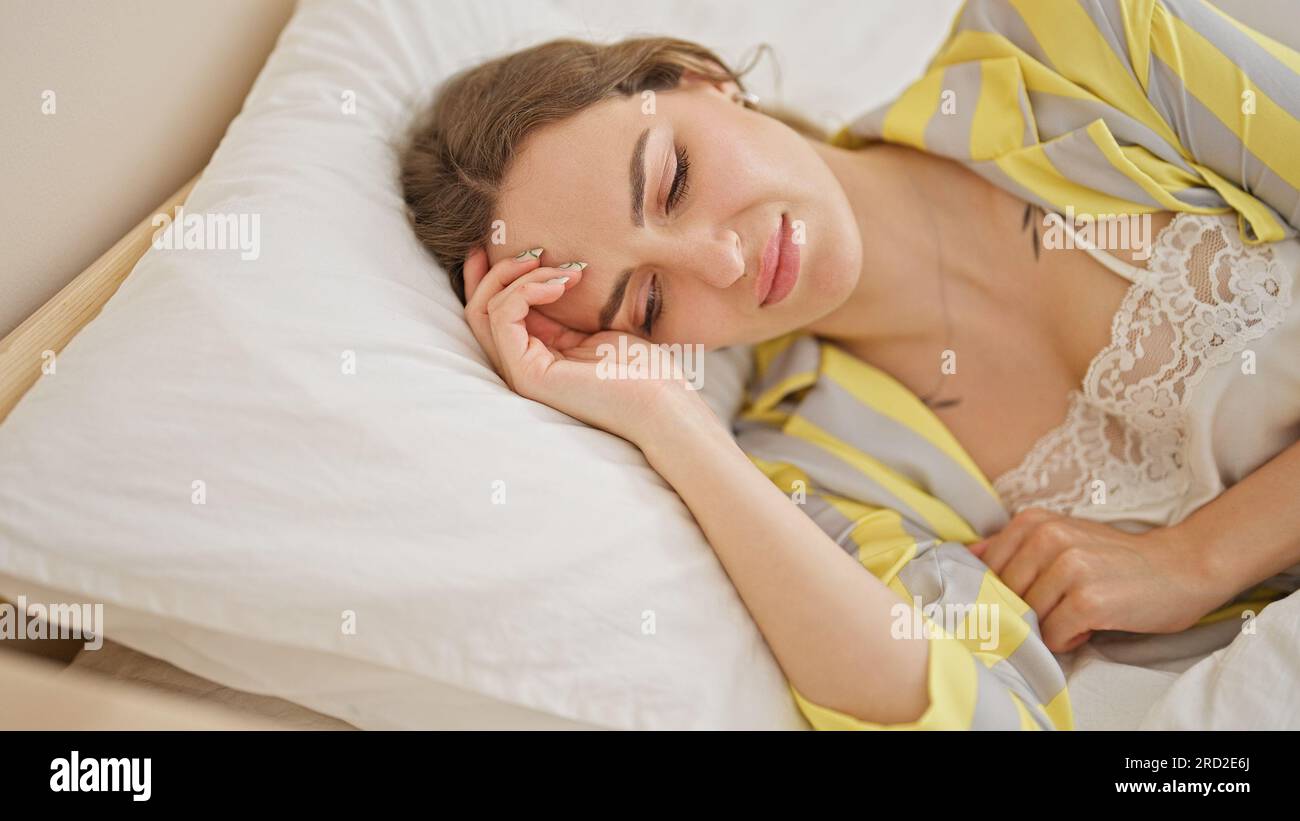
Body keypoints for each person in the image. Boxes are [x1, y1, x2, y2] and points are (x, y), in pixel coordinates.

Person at [400, 0, 1300, 729]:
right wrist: (669, 423)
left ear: (705, 82)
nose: (721, 262)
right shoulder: (813, 471)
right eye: (649, 303)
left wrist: (1200, 558)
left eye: (673, 180)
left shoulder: (1075, 41)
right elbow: (977, 721)